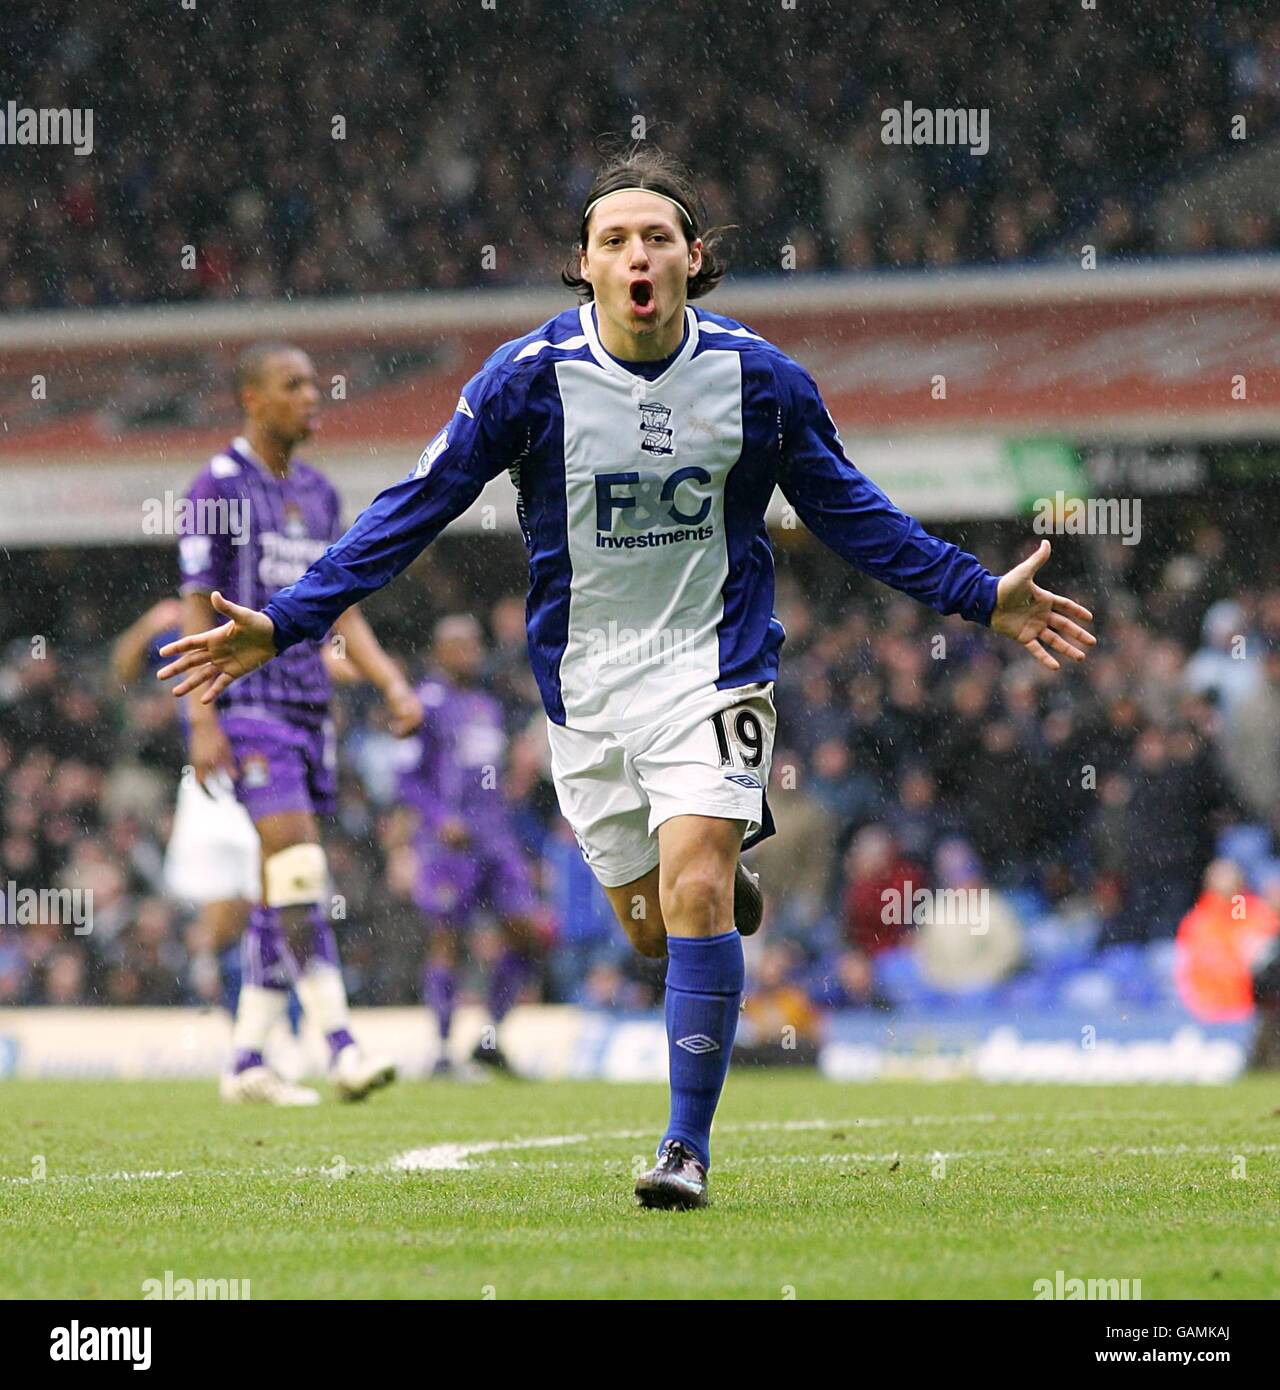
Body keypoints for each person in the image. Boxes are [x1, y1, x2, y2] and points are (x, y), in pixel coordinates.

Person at [159, 146, 1095, 1207]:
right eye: (614, 239)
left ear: (694, 258)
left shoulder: (759, 380)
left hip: (714, 667)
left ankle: (684, 1147)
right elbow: (408, 510)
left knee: (691, 885)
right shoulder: (523, 380)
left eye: (656, 235)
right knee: (649, 924)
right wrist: (285, 622)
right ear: (584, 266)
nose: (636, 253)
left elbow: (851, 513)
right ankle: (707, 866)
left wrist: (977, 594)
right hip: (584, 687)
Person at [171, 342, 422, 1104]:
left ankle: (247, 1061)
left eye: (315, 382)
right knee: (299, 866)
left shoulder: (319, 493)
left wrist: (387, 680)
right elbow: (194, 602)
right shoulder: (215, 486)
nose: (314, 395)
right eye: (294, 385)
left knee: (279, 882)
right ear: (252, 398)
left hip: (313, 710)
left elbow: (340, 604)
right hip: (246, 707)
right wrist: (201, 720)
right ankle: (339, 1045)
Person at [395, 614, 542, 1075]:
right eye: (460, 646)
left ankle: (490, 1037)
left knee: (526, 931)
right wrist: (441, 819)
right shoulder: (424, 704)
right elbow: (404, 778)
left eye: (475, 644)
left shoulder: (485, 705)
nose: (472, 653)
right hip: (449, 847)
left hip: (495, 838)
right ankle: (440, 1051)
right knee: (447, 940)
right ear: (439, 652)